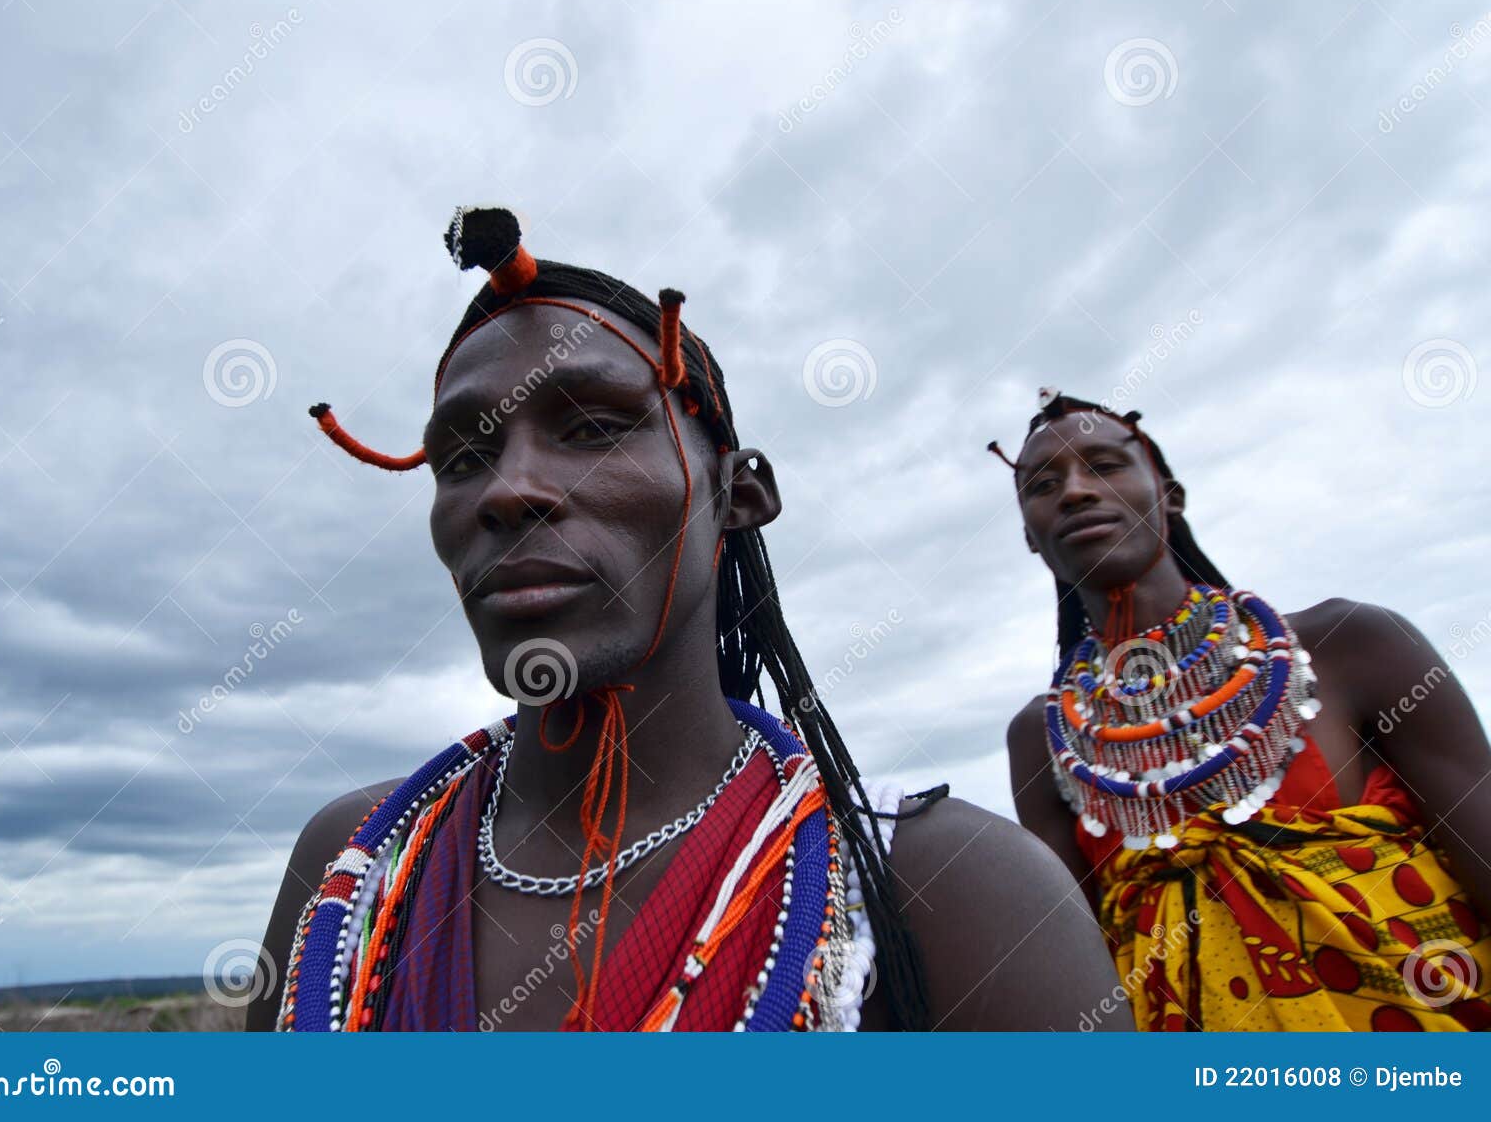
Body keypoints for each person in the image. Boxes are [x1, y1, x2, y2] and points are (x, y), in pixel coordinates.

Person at [243, 211, 1127, 1032]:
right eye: (465, 456)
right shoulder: (346, 863)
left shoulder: (958, 895)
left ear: (738, 495)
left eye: (592, 428)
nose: (509, 490)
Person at [993, 388, 1491, 1031]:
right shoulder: (1045, 737)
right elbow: (1081, 970)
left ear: (1169, 494)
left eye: (1106, 466)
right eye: (1042, 484)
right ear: (1029, 536)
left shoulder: (1352, 644)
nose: (1075, 492)